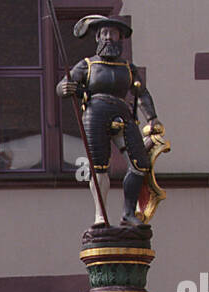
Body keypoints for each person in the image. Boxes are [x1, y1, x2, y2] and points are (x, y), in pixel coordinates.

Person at [56, 15, 166, 227]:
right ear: (98, 37)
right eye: (104, 33)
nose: (108, 37)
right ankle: (100, 215)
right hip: (95, 113)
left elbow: (142, 93)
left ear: (120, 38)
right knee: (99, 166)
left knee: (140, 164)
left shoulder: (128, 68)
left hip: (122, 113)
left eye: (113, 33)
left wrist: (152, 118)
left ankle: (129, 213)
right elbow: (63, 86)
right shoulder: (87, 65)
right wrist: (65, 88)